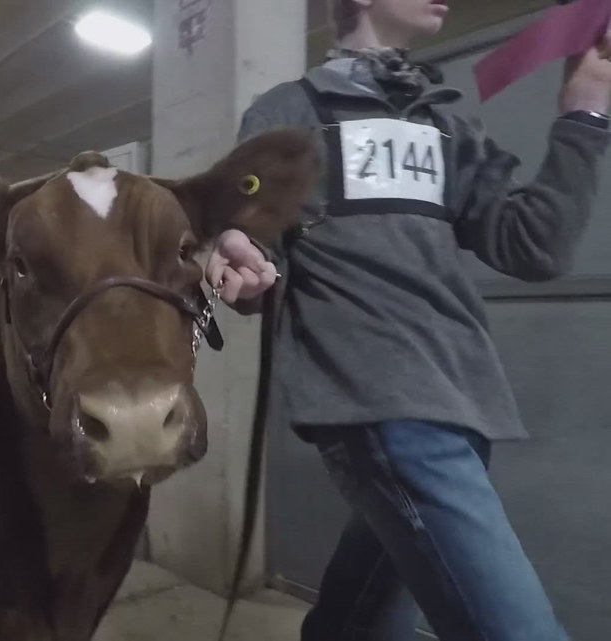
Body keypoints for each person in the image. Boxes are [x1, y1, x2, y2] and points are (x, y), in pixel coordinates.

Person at [207, 2, 611, 640]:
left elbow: (535, 247)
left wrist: (584, 111)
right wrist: (245, 258)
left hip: (462, 404)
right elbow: (256, 242)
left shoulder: (445, 122)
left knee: (360, 621)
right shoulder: (289, 112)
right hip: (381, 402)